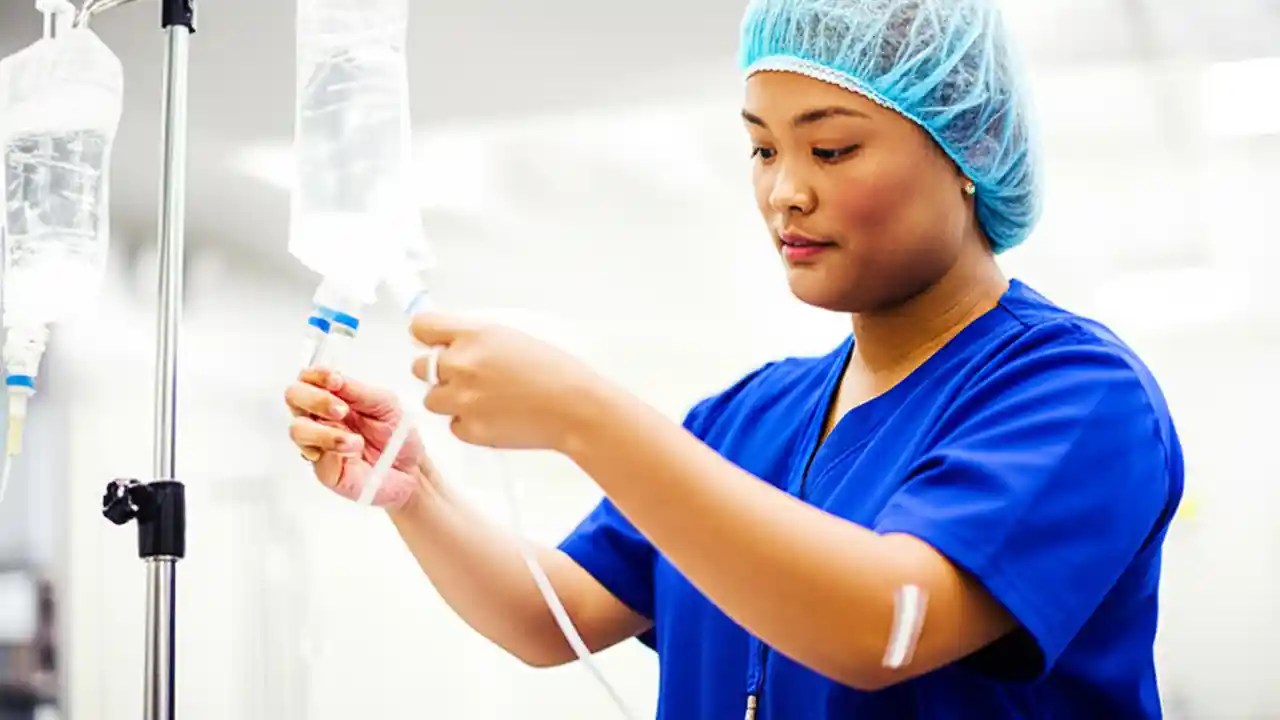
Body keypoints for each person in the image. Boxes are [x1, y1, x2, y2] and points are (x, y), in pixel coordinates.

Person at [284, 0, 1184, 717]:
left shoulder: (1076, 398)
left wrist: (581, 416)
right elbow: (553, 615)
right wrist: (416, 488)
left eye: (831, 147)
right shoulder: (748, 418)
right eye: (762, 147)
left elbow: (882, 629)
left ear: (967, 150)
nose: (785, 192)